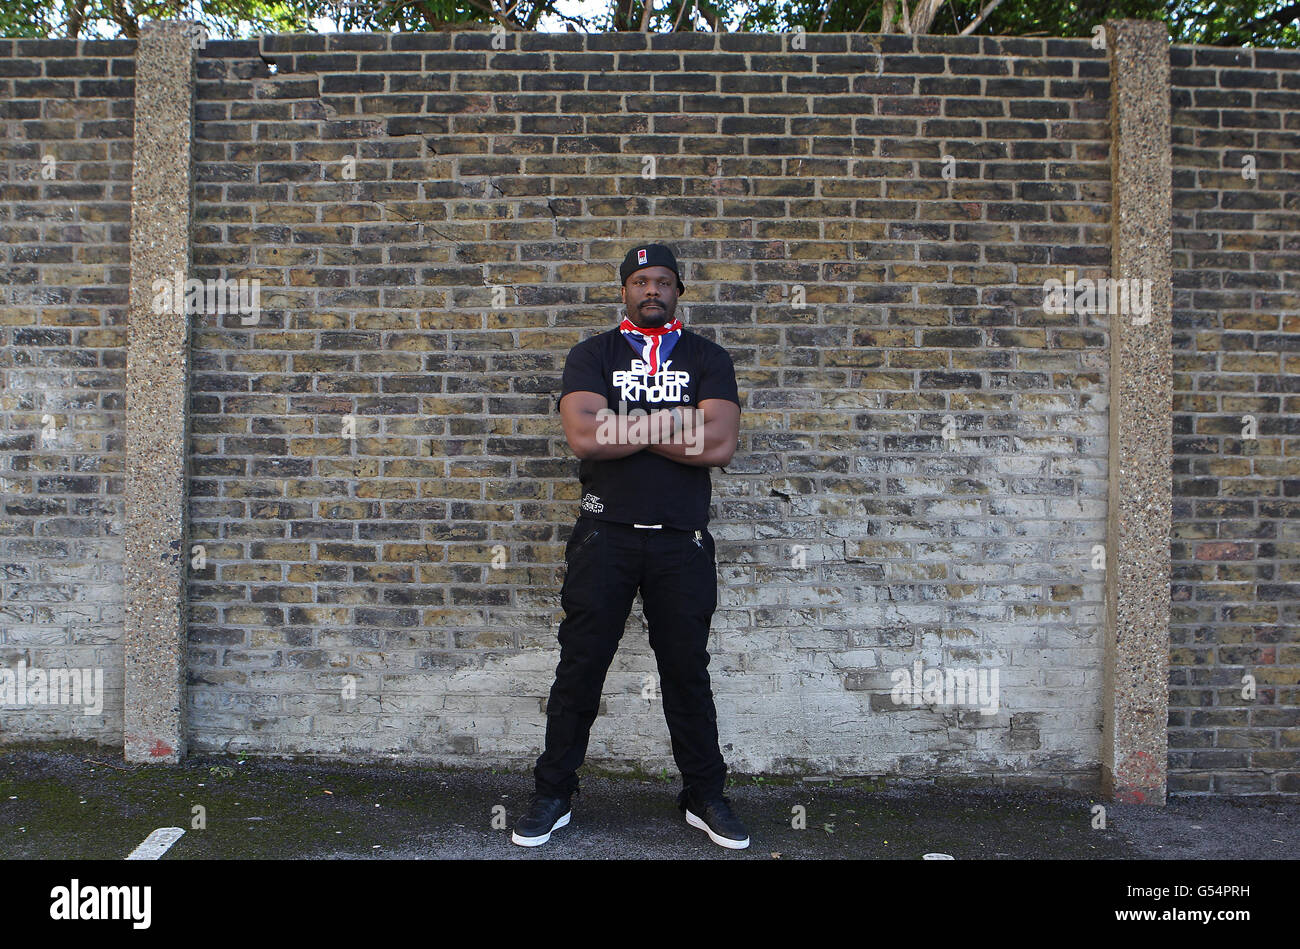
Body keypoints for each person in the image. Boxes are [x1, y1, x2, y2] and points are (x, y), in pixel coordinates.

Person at [511, 243, 748, 850]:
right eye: (641, 280)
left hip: (681, 541)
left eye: (664, 281)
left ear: (678, 291)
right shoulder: (594, 354)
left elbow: (718, 445)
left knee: (687, 674)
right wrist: (677, 421)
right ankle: (554, 794)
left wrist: (629, 422)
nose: (652, 290)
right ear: (624, 289)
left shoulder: (706, 357)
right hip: (604, 537)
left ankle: (703, 794)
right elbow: (585, 438)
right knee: (580, 670)